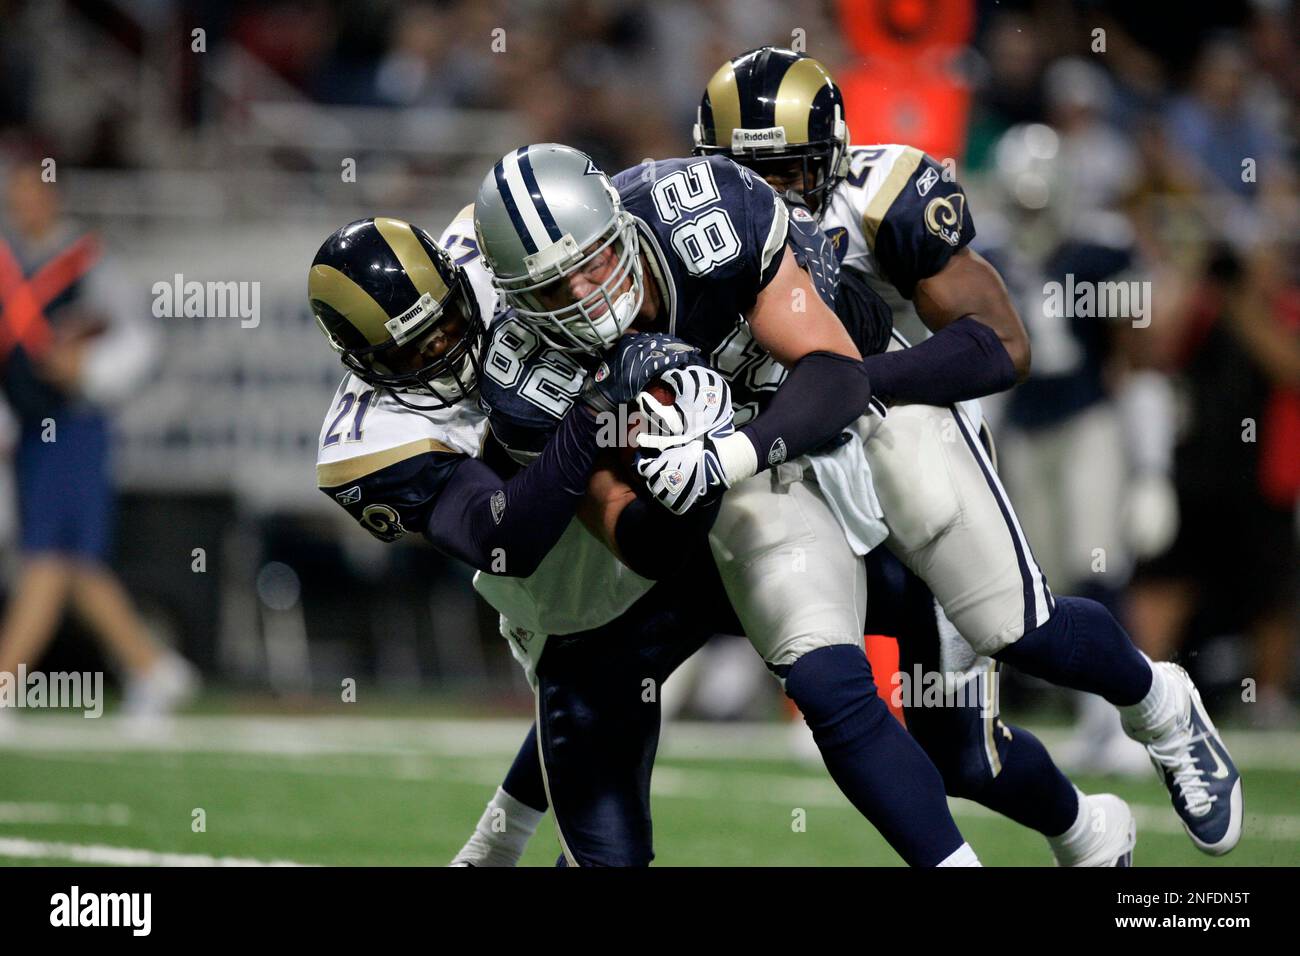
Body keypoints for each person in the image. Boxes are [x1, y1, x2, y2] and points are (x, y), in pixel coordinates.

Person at [683, 46, 1241, 856]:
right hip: (791, 473)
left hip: (905, 445)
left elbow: (1001, 346)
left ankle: (1160, 702)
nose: (767, 197)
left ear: (832, 157)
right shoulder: (679, 229)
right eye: (744, 173)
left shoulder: (881, 201)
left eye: (790, 171)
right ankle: (1090, 832)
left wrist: (849, 382)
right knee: (955, 758)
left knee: (1020, 632)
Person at [0, 158, 195, 719]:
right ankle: (154, 668)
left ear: (53, 197)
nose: (24, 206)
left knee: (46, 556)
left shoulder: (85, 261)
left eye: (33, 193)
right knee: (75, 563)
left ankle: (7, 684)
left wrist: (85, 367)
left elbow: (140, 340)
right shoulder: (11, 262)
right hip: (30, 430)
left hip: (77, 423)